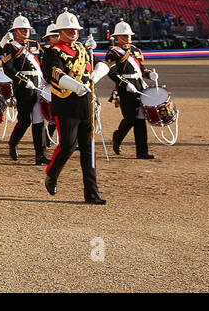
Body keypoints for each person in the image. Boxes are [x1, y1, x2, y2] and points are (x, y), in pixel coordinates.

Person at [43, 12, 106, 204]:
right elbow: (54, 74)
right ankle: (52, 174)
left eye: (75, 30)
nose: (73, 32)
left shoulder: (82, 49)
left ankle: (91, 192)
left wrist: (96, 75)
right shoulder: (53, 51)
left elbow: (93, 69)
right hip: (66, 104)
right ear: (60, 31)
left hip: (85, 104)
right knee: (68, 145)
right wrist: (75, 85)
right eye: (69, 30)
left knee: (88, 149)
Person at [1, 16, 48, 164]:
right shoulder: (10, 47)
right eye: (22, 29)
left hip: (38, 84)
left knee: (39, 121)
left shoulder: (35, 44)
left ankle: (40, 155)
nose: (26, 31)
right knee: (24, 120)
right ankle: (13, 143)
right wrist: (22, 79)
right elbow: (8, 69)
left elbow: (43, 64)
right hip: (23, 87)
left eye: (27, 29)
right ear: (15, 31)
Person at [107, 21, 155, 160]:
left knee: (140, 118)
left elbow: (141, 69)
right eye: (124, 35)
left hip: (139, 85)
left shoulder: (134, 50)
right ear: (118, 37)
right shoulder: (113, 52)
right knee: (130, 117)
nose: (128, 37)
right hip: (126, 88)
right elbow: (111, 72)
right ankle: (118, 137)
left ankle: (142, 151)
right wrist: (124, 83)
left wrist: (149, 74)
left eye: (129, 35)